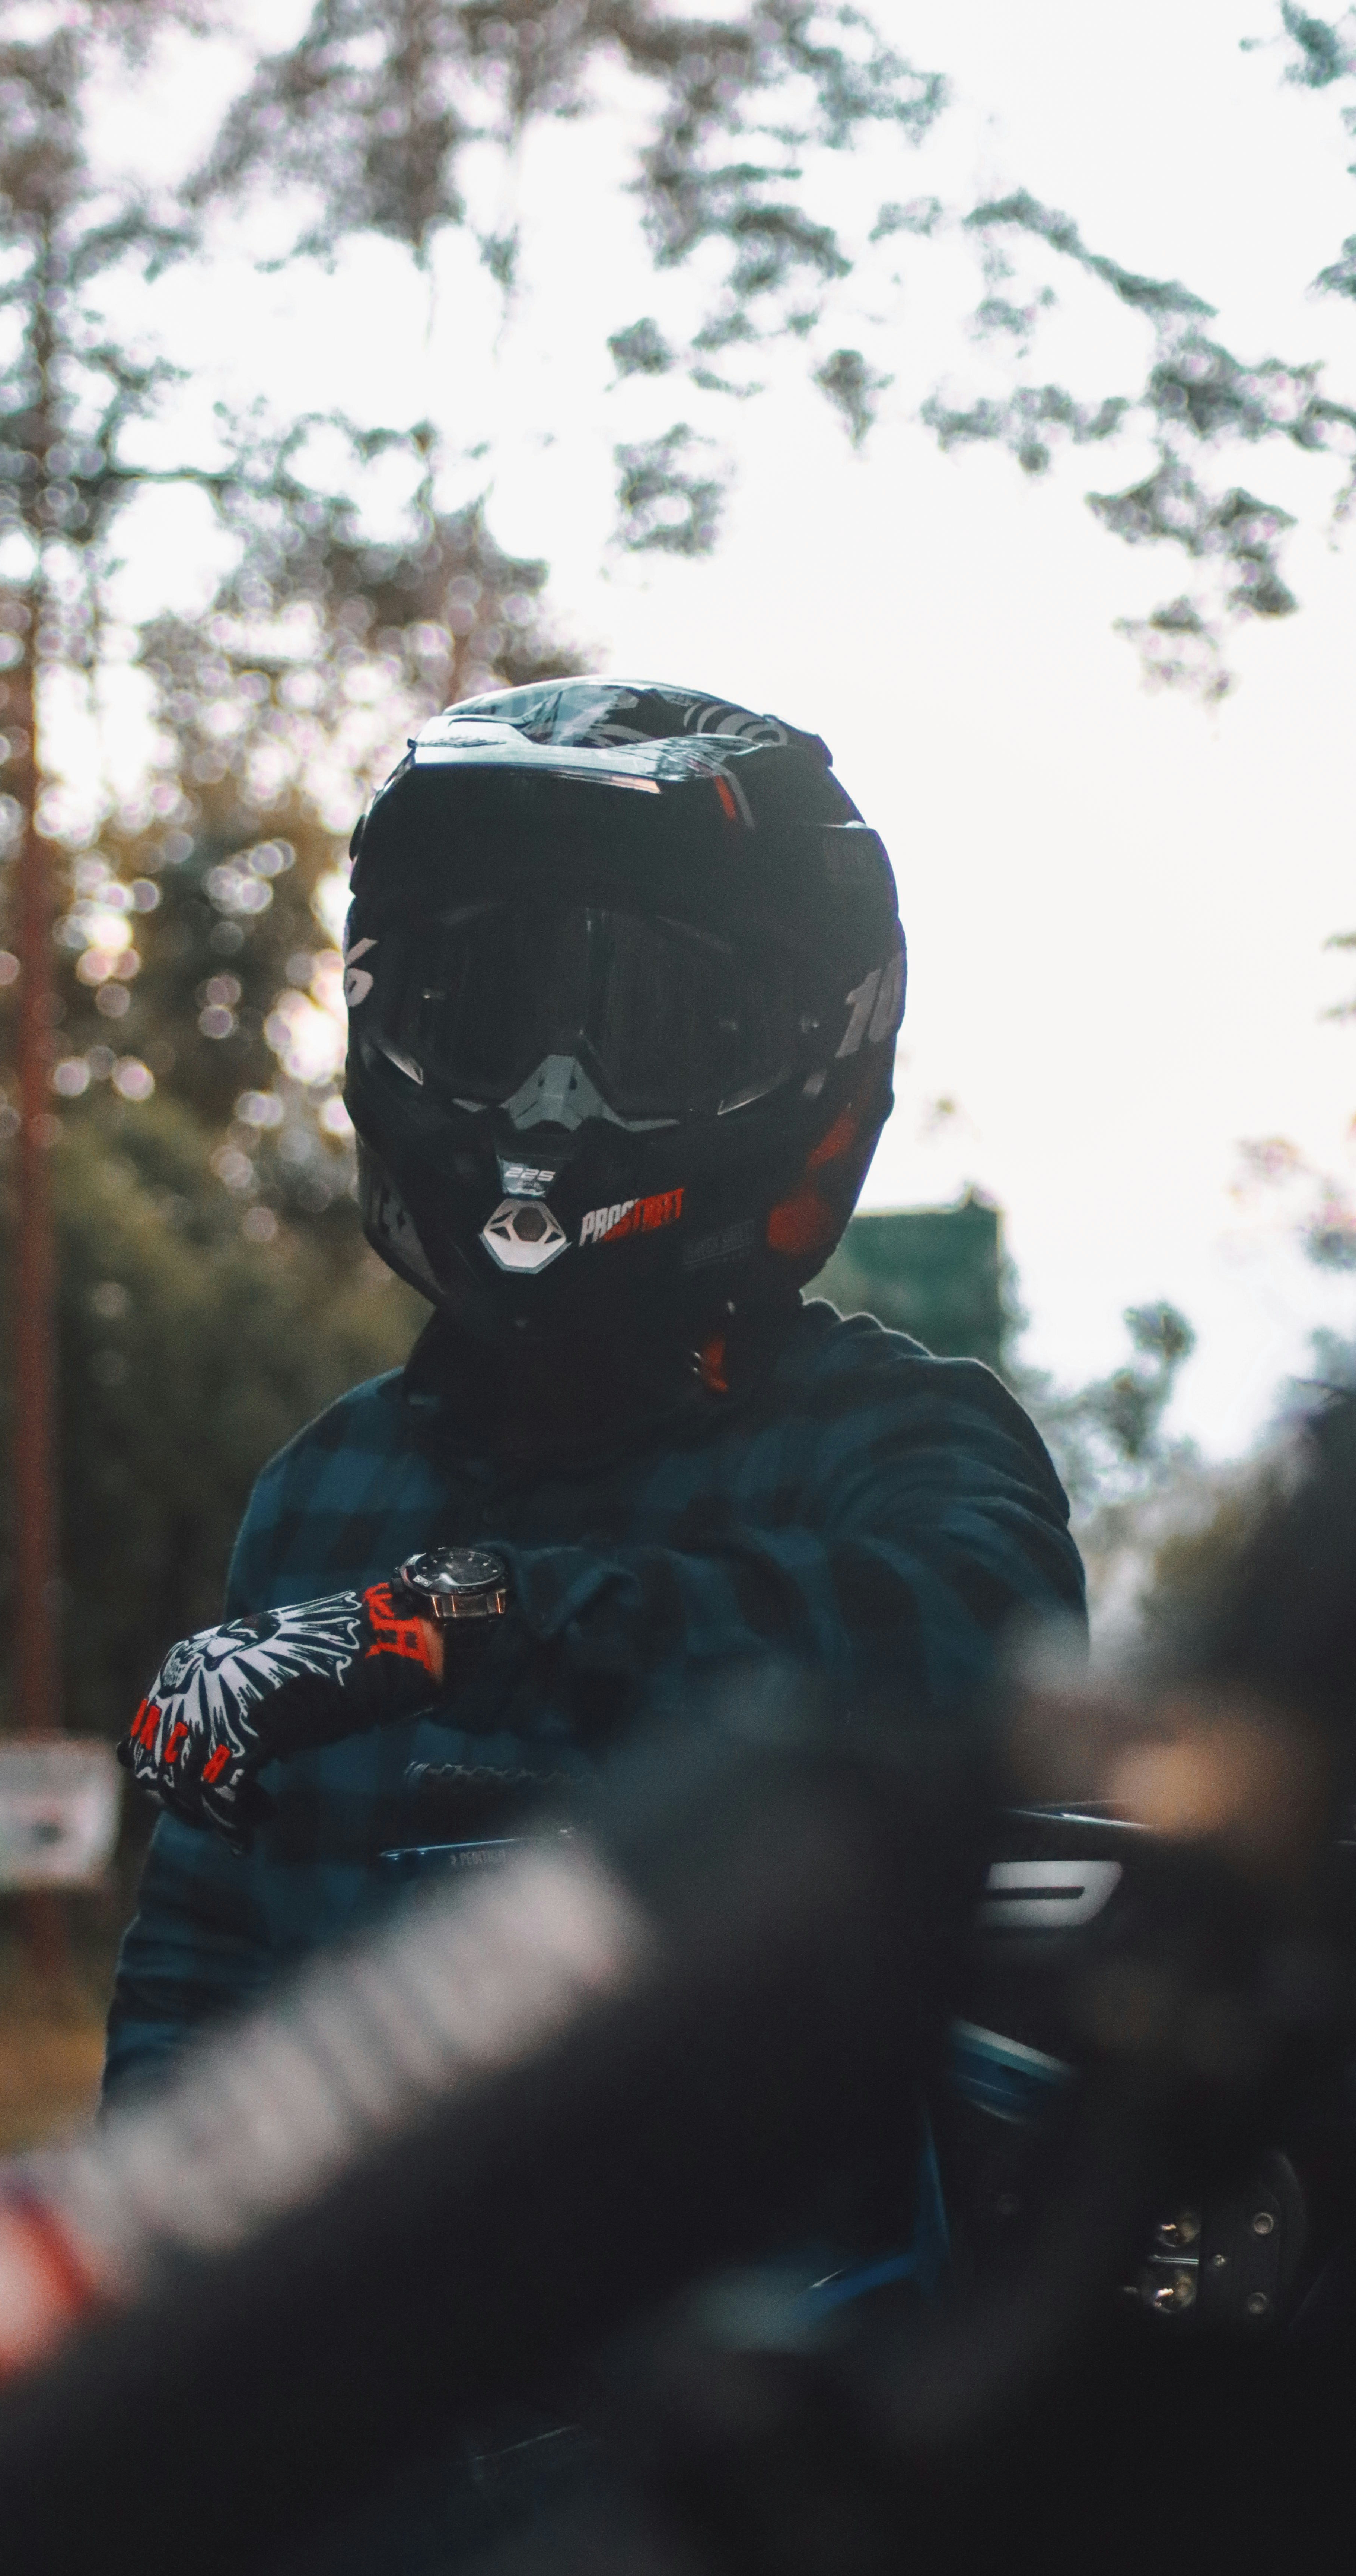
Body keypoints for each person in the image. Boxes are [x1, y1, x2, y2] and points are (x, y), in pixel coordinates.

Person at [105, 676, 1086, 2100]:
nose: (555, 1105)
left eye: (651, 1031)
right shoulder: (328, 1489)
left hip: (775, 2294)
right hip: (379, 2297)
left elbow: (983, 1665)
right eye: (497, 1017)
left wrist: (475, 1616)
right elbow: (203, 1955)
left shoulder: (896, 1443)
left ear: (810, 1057)